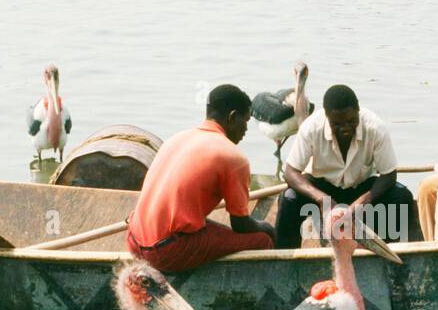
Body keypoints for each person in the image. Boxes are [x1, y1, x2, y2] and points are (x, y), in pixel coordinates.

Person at [126, 83, 274, 273]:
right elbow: (241, 225)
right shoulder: (233, 157)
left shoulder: (176, 138)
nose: (245, 129)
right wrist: (267, 228)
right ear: (232, 117)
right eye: (244, 121)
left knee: (209, 229)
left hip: (133, 240)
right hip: (164, 251)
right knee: (263, 240)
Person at [276, 84, 413, 249]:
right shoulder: (311, 128)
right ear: (326, 116)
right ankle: (287, 262)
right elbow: (290, 173)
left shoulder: (375, 128)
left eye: (351, 121)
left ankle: (386, 257)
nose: (345, 128)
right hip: (322, 187)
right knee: (289, 198)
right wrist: (322, 200)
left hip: (360, 188)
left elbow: (389, 175)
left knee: (401, 196)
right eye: (337, 124)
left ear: (358, 110)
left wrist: (363, 201)